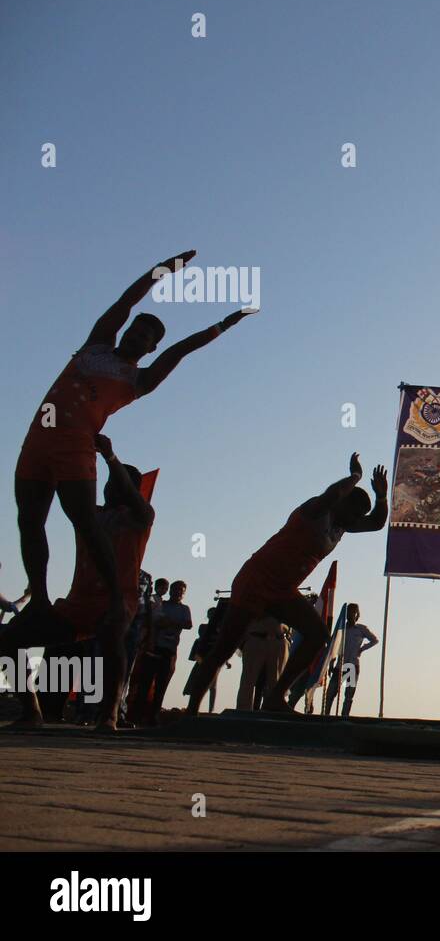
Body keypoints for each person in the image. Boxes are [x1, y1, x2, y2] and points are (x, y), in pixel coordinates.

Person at [14, 251, 251, 636]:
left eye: (146, 337)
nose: (137, 336)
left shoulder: (138, 380)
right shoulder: (97, 344)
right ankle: (38, 601)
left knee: (86, 522)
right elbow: (127, 301)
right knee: (29, 520)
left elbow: (181, 350)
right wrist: (164, 270)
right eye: (135, 330)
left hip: (76, 444)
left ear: (151, 348)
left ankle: (113, 601)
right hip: (38, 438)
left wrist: (222, 325)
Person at [183, 454, 388, 717]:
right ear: (342, 504)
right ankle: (190, 713)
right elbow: (331, 494)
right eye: (353, 513)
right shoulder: (316, 511)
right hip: (256, 580)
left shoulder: (341, 526)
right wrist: (355, 477)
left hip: (282, 589)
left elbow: (376, 523)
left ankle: (276, 696)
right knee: (223, 648)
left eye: (358, 516)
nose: (355, 520)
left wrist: (381, 496)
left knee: (318, 634)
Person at [0, 436, 153, 729]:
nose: (108, 487)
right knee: (10, 639)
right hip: (77, 604)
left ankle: (108, 715)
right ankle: (31, 711)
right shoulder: (90, 516)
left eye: (116, 483)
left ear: (131, 490)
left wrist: (110, 457)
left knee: (111, 637)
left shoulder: (140, 518)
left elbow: (130, 493)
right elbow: (67, 488)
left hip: (117, 601)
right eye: (107, 483)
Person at [132, 579, 192, 724]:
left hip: (169, 650)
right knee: (145, 683)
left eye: (181, 591)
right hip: (154, 647)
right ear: (170, 591)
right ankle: (137, 715)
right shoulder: (161, 604)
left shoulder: (184, 609)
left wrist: (170, 622)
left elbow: (188, 624)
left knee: (161, 685)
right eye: (175, 590)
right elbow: (153, 620)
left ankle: (153, 716)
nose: (178, 593)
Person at [324, 604, 378, 718]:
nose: (351, 615)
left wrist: (362, 649)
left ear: (357, 614)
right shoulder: (340, 629)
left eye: (353, 613)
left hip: (352, 665)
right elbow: (334, 647)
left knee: (348, 694)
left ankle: (344, 716)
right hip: (339, 665)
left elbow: (374, 640)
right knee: (330, 694)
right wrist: (331, 664)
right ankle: (326, 715)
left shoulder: (361, 629)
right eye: (349, 613)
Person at [236, 614, 289, 710]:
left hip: (278, 638)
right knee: (248, 681)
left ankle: (273, 710)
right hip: (257, 637)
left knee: (275, 683)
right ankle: (243, 712)